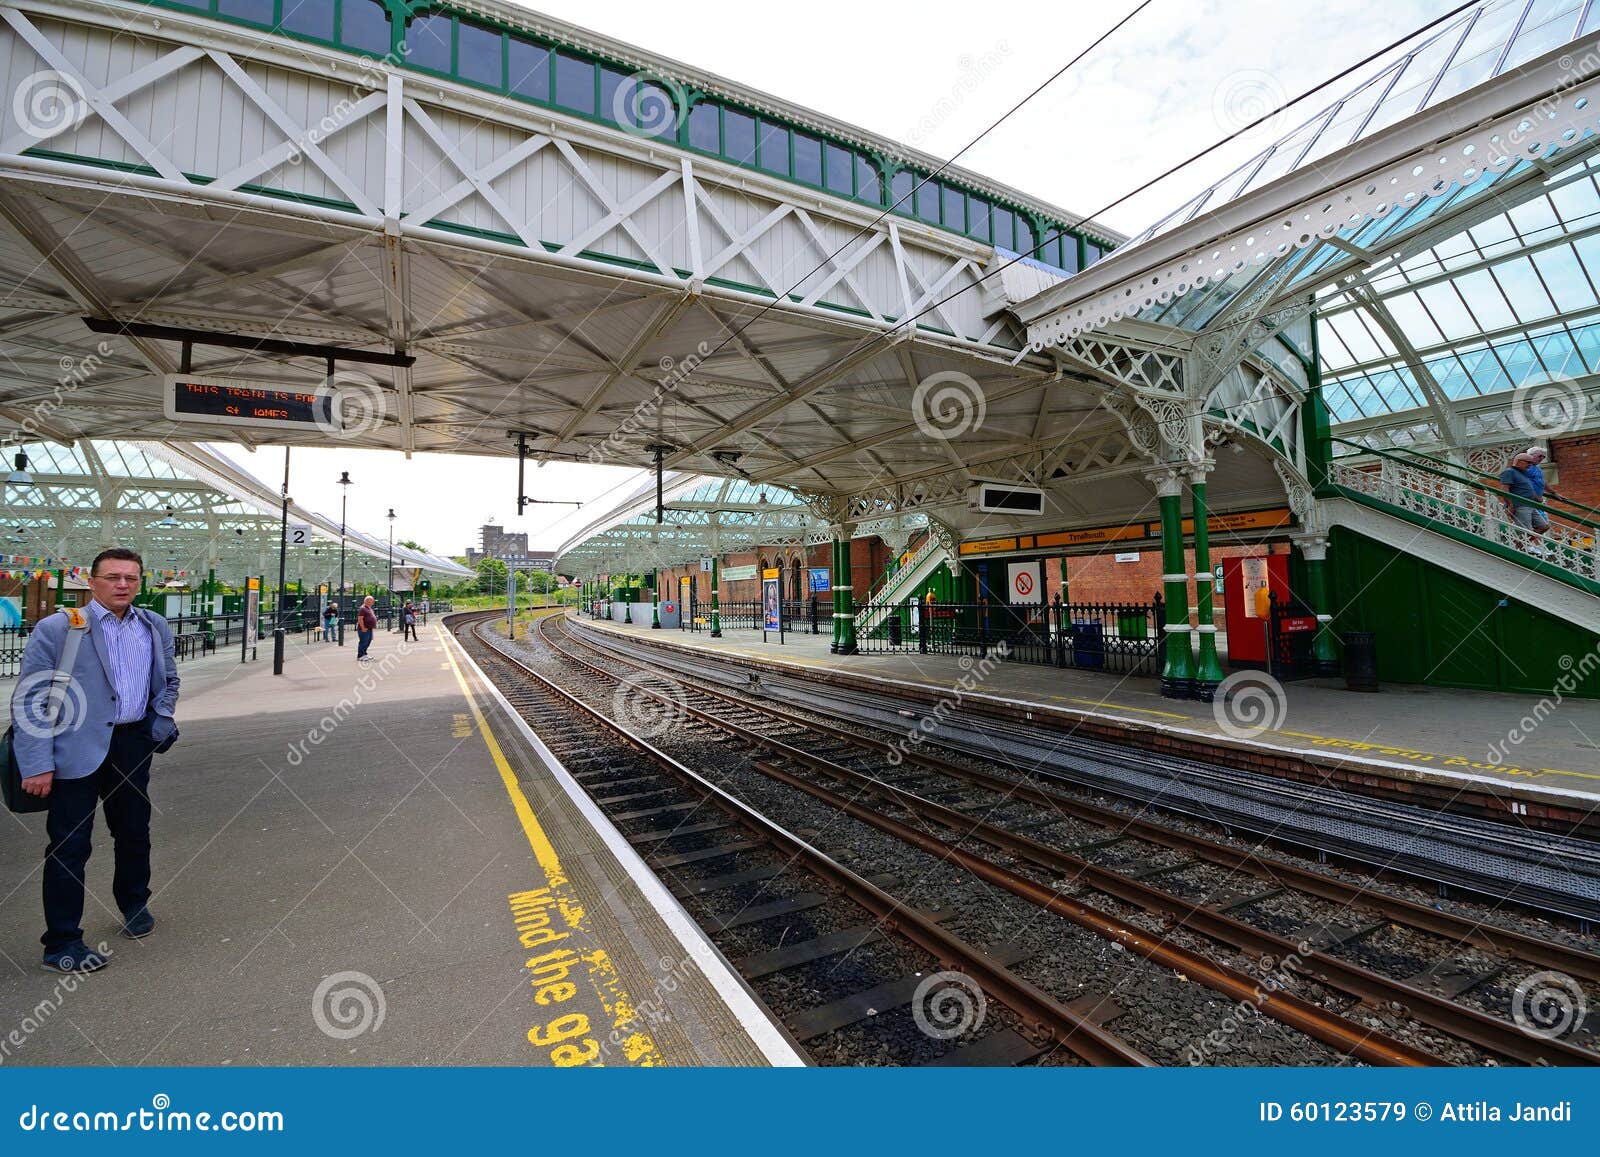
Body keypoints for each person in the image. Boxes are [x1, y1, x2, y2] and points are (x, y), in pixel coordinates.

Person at [14, 547, 181, 973]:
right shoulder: (59, 628)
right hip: (73, 747)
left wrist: (161, 719)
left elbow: (169, 680)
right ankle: (62, 942)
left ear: (140, 582)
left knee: (134, 831)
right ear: (92, 582)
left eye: (131, 578)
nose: (122, 584)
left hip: (131, 745)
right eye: (112, 577)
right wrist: (36, 763)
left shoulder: (153, 625)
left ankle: (135, 903)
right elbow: (31, 697)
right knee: (70, 845)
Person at [1499, 453, 1545, 549]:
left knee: (1543, 527)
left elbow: (1528, 488)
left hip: (1530, 505)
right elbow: (1504, 489)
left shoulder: (1524, 473)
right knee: (1526, 531)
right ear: (1519, 461)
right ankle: (1520, 548)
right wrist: (1510, 505)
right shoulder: (1509, 472)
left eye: (1531, 463)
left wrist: (1537, 497)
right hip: (1520, 506)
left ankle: (1519, 544)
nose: (1529, 465)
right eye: (1528, 462)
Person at [356, 595, 377, 662]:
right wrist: (363, 627)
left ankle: (364, 654)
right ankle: (360, 656)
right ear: (365, 601)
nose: (371, 602)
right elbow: (360, 619)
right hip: (364, 628)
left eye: (372, 601)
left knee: (368, 641)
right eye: (369, 601)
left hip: (369, 628)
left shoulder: (369, 608)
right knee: (363, 642)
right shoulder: (363, 608)